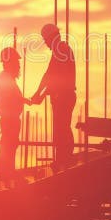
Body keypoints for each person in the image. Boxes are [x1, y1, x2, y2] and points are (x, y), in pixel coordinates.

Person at [30, 23, 76, 169]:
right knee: (61, 129)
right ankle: (63, 158)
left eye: (46, 40)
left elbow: (55, 78)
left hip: (64, 96)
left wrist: (41, 94)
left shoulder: (61, 50)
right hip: (61, 97)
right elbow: (48, 76)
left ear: (51, 38)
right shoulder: (59, 51)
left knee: (62, 129)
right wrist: (39, 93)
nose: (46, 44)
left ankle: (65, 159)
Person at [0, 47, 31, 185]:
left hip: (11, 117)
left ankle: (8, 171)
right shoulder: (5, 78)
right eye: (16, 61)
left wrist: (22, 100)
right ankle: (6, 172)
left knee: (10, 144)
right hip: (10, 118)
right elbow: (10, 97)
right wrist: (23, 100)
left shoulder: (7, 78)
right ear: (9, 62)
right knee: (9, 145)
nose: (19, 65)